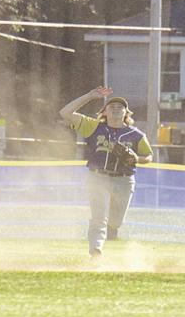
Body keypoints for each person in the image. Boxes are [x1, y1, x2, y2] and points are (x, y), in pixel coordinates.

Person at [60, 87, 153, 258]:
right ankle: (96, 251)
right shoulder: (93, 127)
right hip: (97, 177)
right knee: (98, 218)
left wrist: (137, 158)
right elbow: (65, 112)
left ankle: (112, 230)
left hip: (124, 180)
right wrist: (89, 96)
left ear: (126, 113)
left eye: (120, 107)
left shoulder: (136, 134)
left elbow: (149, 156)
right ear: (104, 112)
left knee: (116, 222)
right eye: (112, 106)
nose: (116, 108)